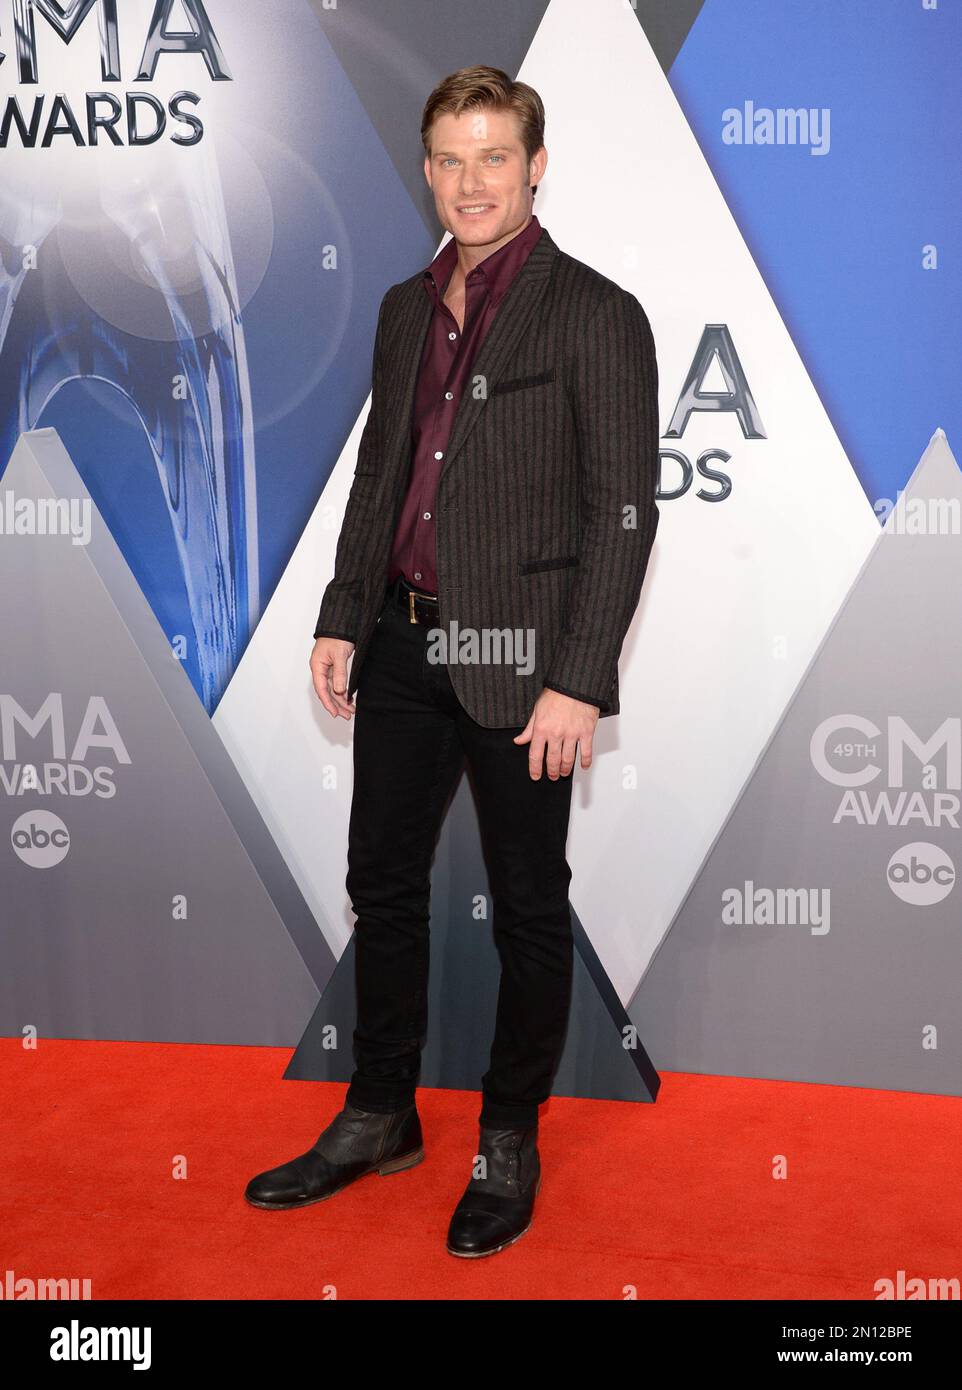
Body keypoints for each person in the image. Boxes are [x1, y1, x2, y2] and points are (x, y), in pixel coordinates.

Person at [245, 64, 660, 1258]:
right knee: (380, 882)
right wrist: (340, 613)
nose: (469, 180)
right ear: (425, 171)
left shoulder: (595, 312)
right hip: (400, 647)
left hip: (527, 667)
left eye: (493, 157)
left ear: (535, 166)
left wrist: (579, 678)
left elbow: (621, 511)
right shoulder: (396, 307)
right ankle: (379, 1112)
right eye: (448, 158)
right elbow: (383, 476)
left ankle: (505, 1140)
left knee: (528, 909)